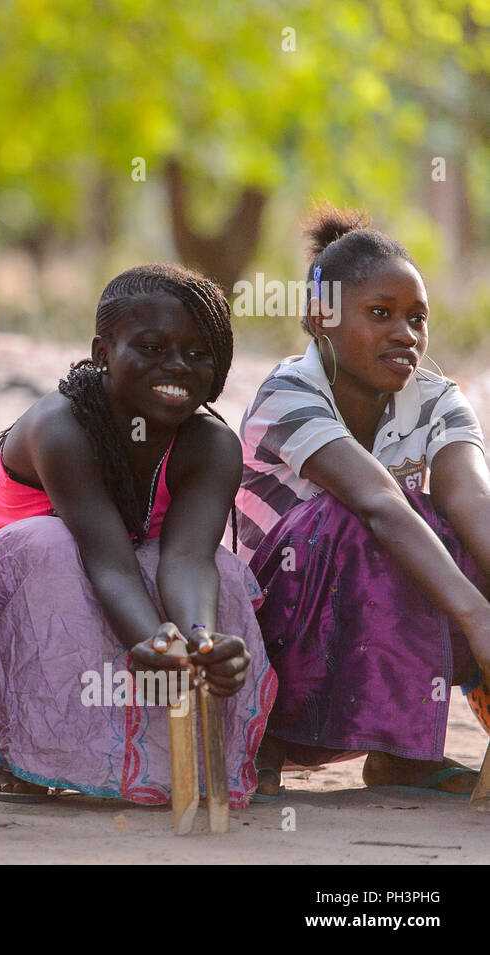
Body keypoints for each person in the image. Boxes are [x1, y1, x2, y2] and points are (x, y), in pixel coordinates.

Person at [0, 264, 276, 805]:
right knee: (53, 546)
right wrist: (149, 639)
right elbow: (104, 559)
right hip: (29, 593)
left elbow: (189, 559)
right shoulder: (62, 428)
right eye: (151, 348)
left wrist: (199, 638)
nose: (176, 366)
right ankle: (3, 747)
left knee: (222, 569)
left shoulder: (211, 446)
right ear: (103, 352)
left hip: (122, 575)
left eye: (199, 354)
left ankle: (148, 764)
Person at [238, 204, 490, 797]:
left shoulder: (436, 398)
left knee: (456, 533)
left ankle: (403, 754)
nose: (406, 335)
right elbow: (376, 499)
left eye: (417, 319)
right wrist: (478, 618)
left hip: (369, 617)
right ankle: (268, 739)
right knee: (353, 518)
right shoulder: (287, 392)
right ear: (320, 319)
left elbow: (473, 496)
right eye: (381, 314)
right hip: (279, 624)